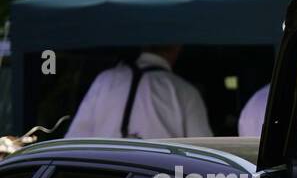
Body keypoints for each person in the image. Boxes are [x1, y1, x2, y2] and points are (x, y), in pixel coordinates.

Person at [66, 46, 212, 139]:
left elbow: (74, 140)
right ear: (177, 47)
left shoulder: (105, 80)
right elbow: (205, 153)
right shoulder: (185, 92)